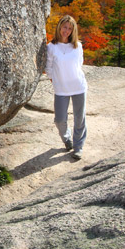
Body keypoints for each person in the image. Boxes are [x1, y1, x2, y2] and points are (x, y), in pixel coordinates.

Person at [45, 15, 87, 160]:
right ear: (59, 27)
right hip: (61, 89)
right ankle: (67, 139)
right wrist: (56, 80)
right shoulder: (51, 47)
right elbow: (48, 67)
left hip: (78, 87)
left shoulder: (78, 46)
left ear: (73, 30)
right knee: (60, 119)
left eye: (70, 28)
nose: (66, 31)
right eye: (65, 27)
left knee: (79, 118)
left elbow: (79, 64)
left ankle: (78, 147)